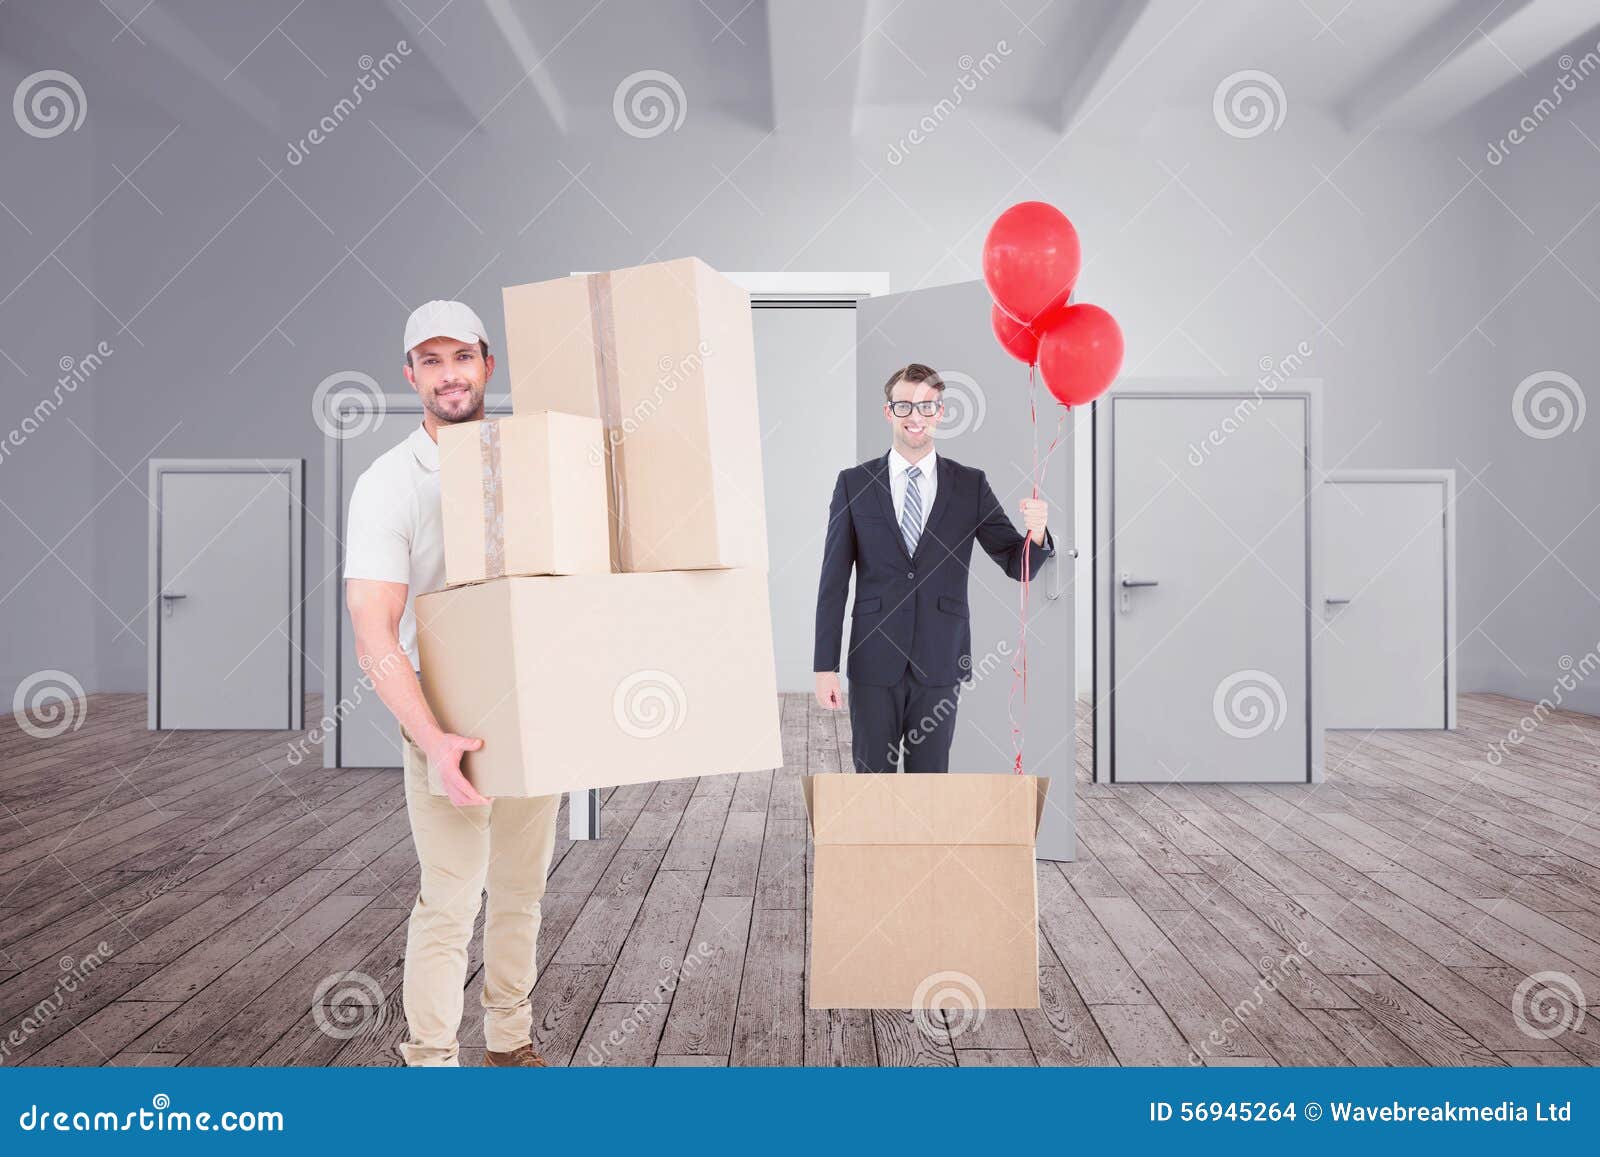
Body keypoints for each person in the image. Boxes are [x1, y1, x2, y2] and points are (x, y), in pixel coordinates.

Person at [344, 300, 559, 1067]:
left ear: (487, 364)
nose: (449, 375)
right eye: (430, 361)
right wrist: (433, 737)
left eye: (461, 357)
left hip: (528, 707)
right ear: (410, 375)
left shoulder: (526, 464)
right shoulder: (389, 482)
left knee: (521, 889)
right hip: (442, 713)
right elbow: (373, 629)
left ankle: (511, 1039)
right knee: (450, 895)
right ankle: (433, 1061)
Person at [813, 362, 1052, 773]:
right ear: (889, 412)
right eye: (904, 406)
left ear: (940, 412)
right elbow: (833, 583)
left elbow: (1018, 564)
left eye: (926, 406)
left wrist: (1039, 532)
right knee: (871, 781)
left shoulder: (969, 485)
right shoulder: (854, 483)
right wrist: (824, 667)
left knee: (931, 785)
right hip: (873, 657)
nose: (916, 416)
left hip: (940, 659)